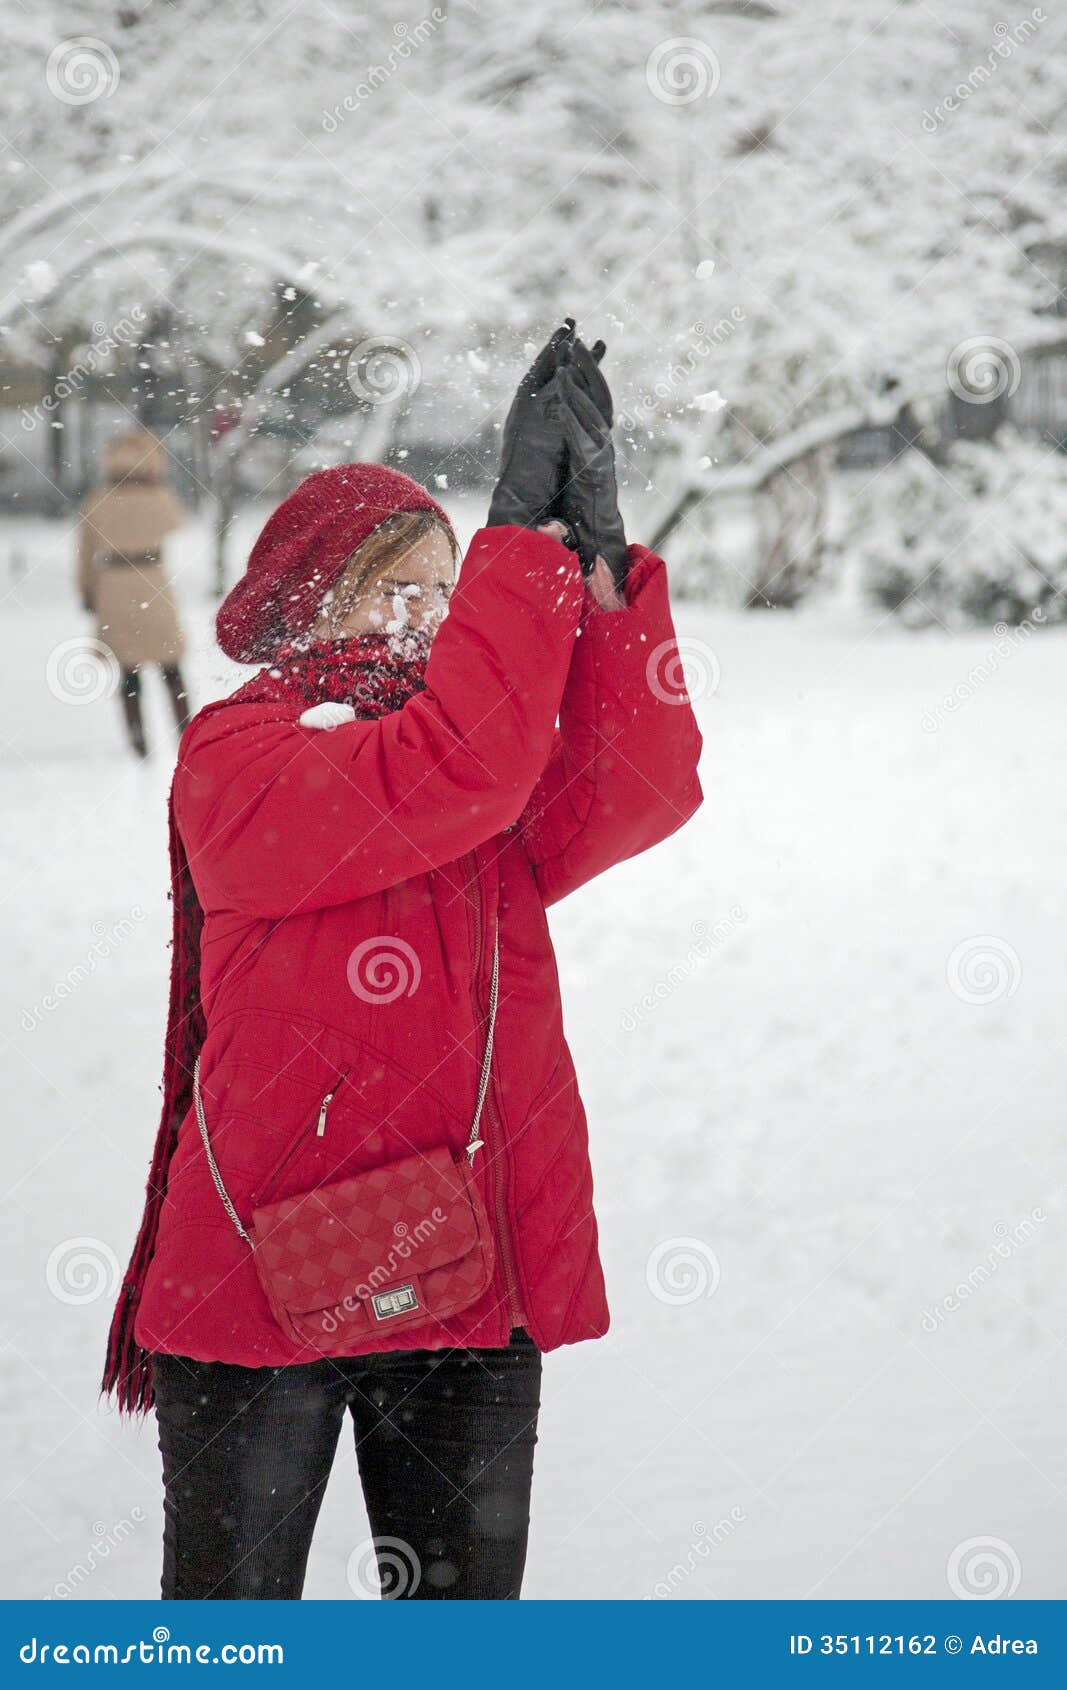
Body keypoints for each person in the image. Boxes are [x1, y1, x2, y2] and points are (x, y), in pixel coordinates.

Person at [100, 324, 704, 1600]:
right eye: (398, 589)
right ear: (304, 599)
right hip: (267, 1274)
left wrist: (591, 568)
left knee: (454, 1647)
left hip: (467, 1275)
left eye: (446, 593)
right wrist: (506, 550)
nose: (429, 620)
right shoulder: (245, 754)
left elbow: (640, 789)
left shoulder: (478, 769)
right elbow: (463, 766)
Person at [77, 428, 190, 757]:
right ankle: (186, 733)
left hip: (113, 585)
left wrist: (87, 593)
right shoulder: (160, 497)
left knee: (127, 670)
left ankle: (138, 741)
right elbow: (177, 521)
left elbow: (85, 554)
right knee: (171, 667)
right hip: (153, 582)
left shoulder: (98, 500)